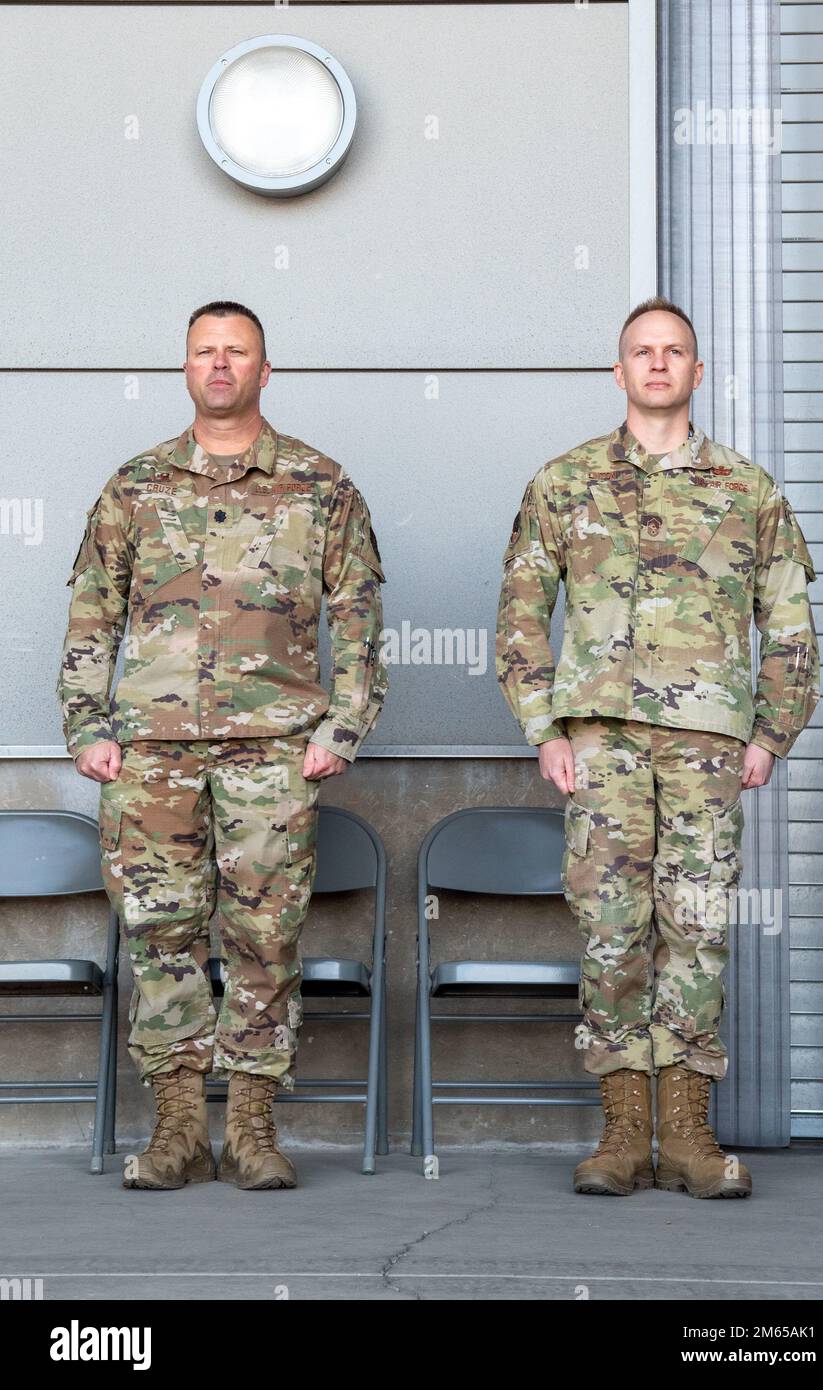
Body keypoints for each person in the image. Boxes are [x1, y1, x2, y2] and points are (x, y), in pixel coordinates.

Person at [57, 300, 387, 1191]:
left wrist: (340, 730)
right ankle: (174, 1129)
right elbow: (93, 608)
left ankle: (249, 1125)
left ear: (264, 371)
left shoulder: (320, 486)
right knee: (159, 930)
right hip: (150, 754)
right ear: (185, 368)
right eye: (204, 351)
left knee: (265, 935)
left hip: (274, 755)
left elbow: (360, 620)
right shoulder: (137, 485)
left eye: (236, 351)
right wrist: (88, 727)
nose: (219, 364)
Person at [495, 295, 819, 1199]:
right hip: (598, 744)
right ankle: (621, 1134)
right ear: (620, 370)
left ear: (697, 371)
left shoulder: (747, 491)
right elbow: (520, 616)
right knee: (610, 928)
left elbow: (789, 625)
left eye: (675, 351)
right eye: (643, 351)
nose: (659, 364)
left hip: (710, 745)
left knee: (698, 926)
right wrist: (543, 727)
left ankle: (686, 1132)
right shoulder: (565, 483)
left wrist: (771, 732)